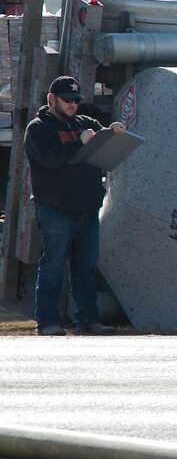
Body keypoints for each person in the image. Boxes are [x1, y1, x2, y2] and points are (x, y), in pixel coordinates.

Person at [24, 75, 124, 336]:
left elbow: (104, 139)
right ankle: (47, 322)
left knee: (86, 268)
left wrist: (113, 132)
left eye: (76, 99)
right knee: (53, 267)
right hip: (55, 209)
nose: (72, 104)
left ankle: (88, 320)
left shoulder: (85, 123)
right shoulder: (38, 128)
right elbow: (50, 160)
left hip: (87, 208)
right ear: (51, 99)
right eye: (67, 99)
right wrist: (79, 143)